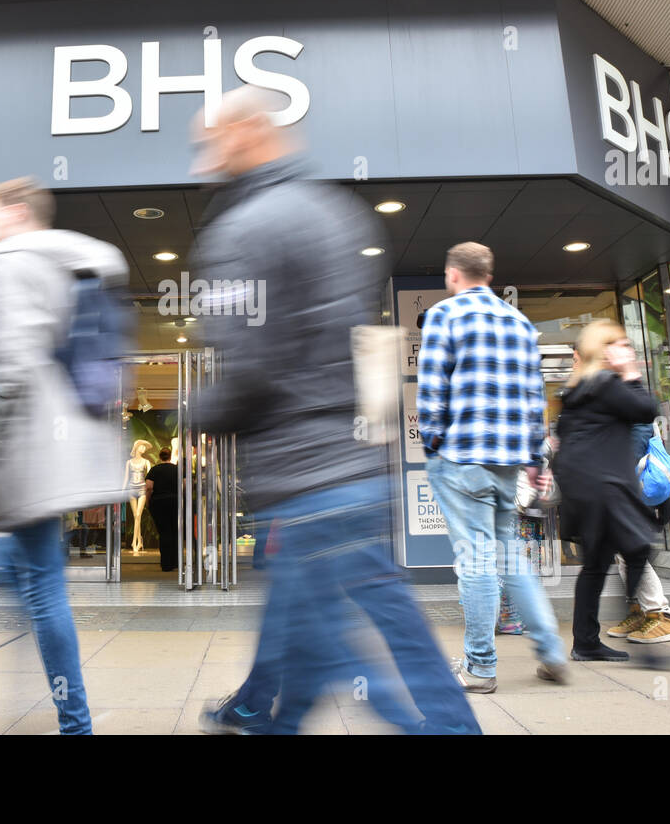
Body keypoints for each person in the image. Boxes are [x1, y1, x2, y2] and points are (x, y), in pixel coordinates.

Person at [193, 86, 478, 735]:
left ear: (243, 133)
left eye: (209, 142)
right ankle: (268, 718)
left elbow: (251, 366)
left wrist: (197, 413)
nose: (202, 161)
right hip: (351, 472)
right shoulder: (336, 214)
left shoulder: (241, 229)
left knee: (356, 658)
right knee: (352, 630)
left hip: (302, 481)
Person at [0, 176, 129, 736]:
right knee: (21, 575)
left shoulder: (8, 262)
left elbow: (10, 364)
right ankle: (40, 707)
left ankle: (73, 723)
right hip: (58, 446)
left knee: (40, 586)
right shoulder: (71, 260)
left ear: (15, 213)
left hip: (27, 451)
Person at [417, 241, 567, 692]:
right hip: (507, 463)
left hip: (461, 458)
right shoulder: (519, 322)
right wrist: (536, 460)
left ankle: (481, 666)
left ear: (453, 274)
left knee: (476, 561)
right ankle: (551, 651)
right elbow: (532, 398)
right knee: (509, 557)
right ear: (488, 273)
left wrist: (432, 443)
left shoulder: (445, 315)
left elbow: (431, 391)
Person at [554, 320, 659, 662]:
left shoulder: (579, 388)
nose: (628, 350)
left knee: (596, 565)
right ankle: (644, 620)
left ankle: (586, 641)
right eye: (620, 345)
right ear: (605, 350)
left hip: (585, 489)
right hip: (604, 487)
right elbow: (646, 411)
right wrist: (630, 372)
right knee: (639, 545)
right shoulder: (606, 383)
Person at [605, 422, 670, 644]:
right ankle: (641, 612)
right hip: (627, 490)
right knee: (623, 553)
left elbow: (634, 447)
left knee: (631, 553)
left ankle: (661, 616)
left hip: (636, 489)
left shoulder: (629, 402)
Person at [146, 448, 179, 572]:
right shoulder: (177, 469)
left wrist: (148, 502)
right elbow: (185, 485)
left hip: (159, 503)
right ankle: (175, 562)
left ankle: (166, 564)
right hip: (175, 502)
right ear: (170, 456)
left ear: (160, 457)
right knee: (175, 532)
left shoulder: (154, 470)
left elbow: (149, 487)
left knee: (164, 532)